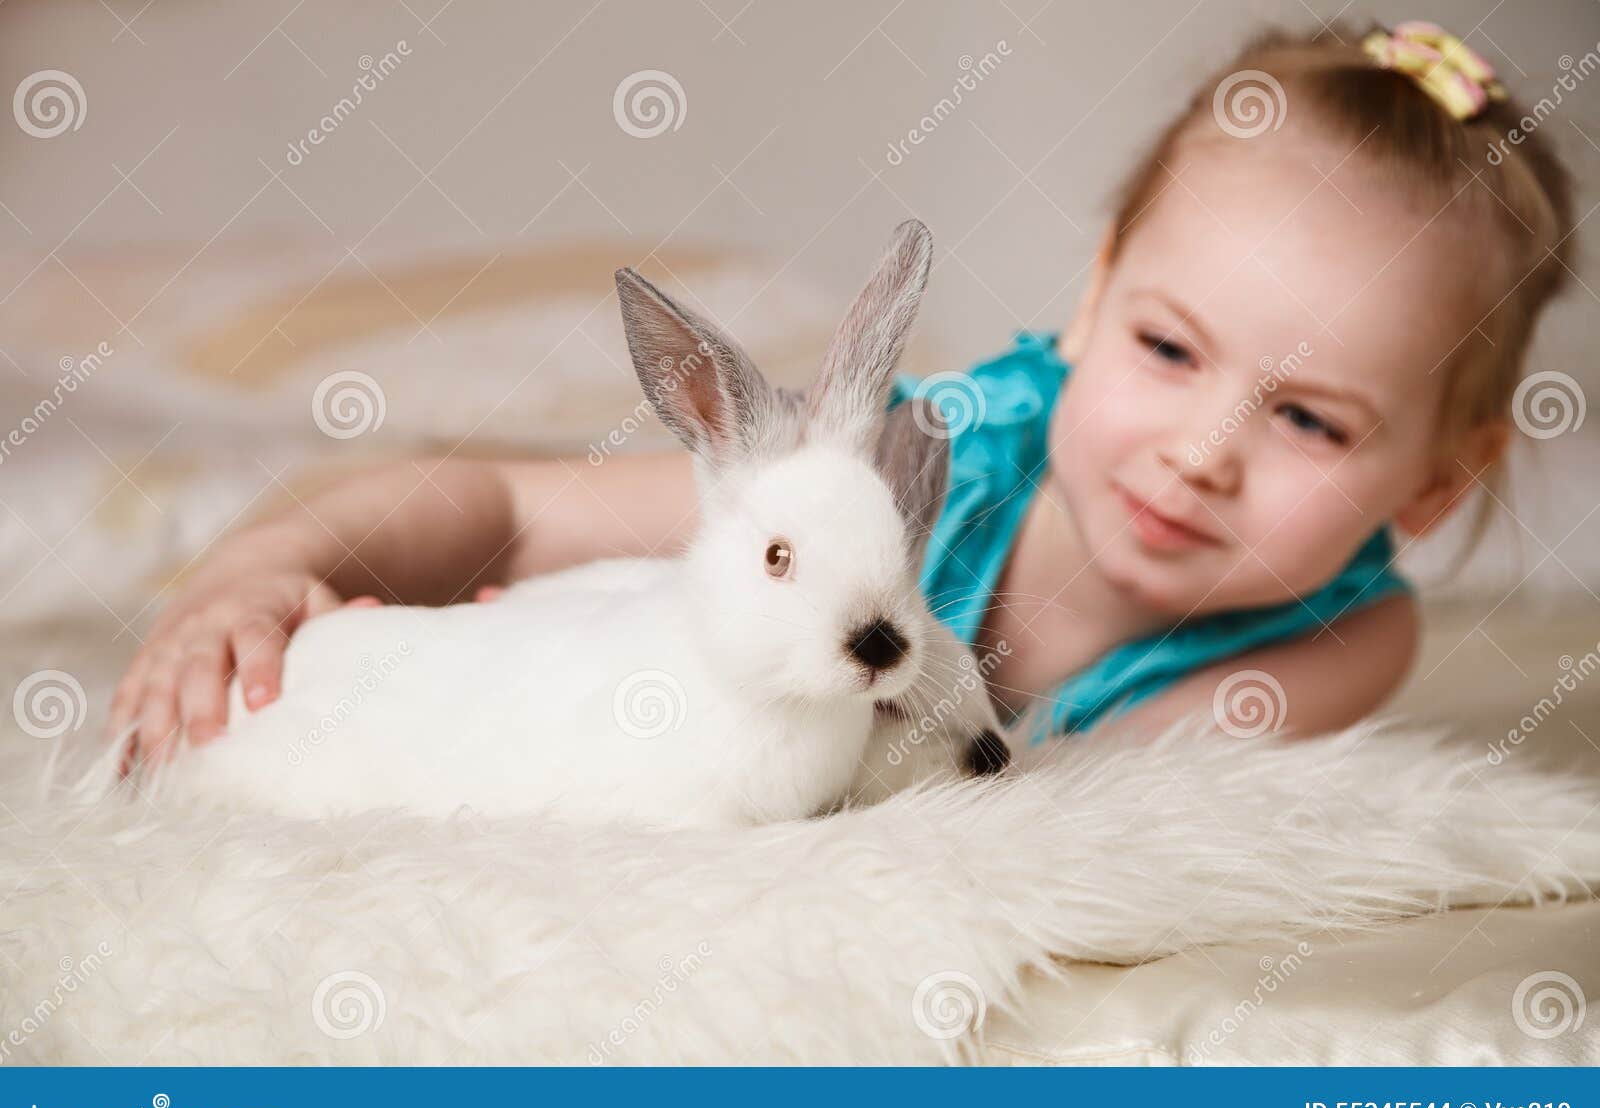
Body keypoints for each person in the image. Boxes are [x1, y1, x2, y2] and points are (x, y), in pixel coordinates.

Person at [108, 20, 1577, 765]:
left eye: (1311, 418)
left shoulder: (1348, 632)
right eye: (1170, 350)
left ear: (1438, 481)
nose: (1200, 453)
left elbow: (1049, 809)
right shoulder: (892, 465)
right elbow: (498, 502)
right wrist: (262, 573)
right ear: (1092, 297)